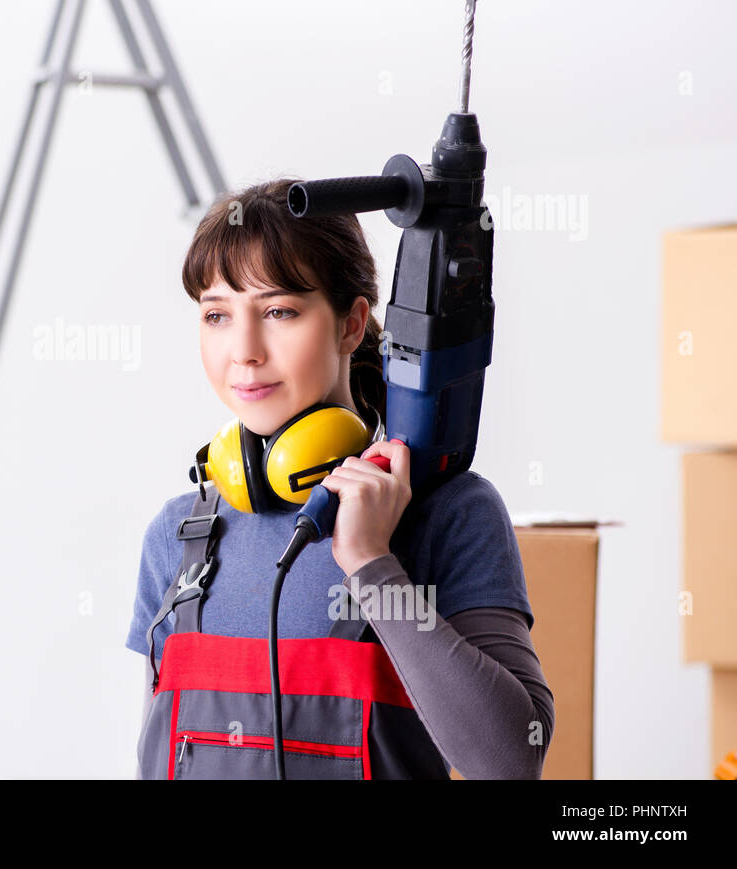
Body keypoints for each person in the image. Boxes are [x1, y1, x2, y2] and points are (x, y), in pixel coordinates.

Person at [125, 177, 554, 779]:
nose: (243, 351)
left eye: (278, 311)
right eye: (217, 315)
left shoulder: (446, 511)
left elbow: (509, 760)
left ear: (352, 325)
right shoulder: (179, 535)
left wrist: (372, 564)